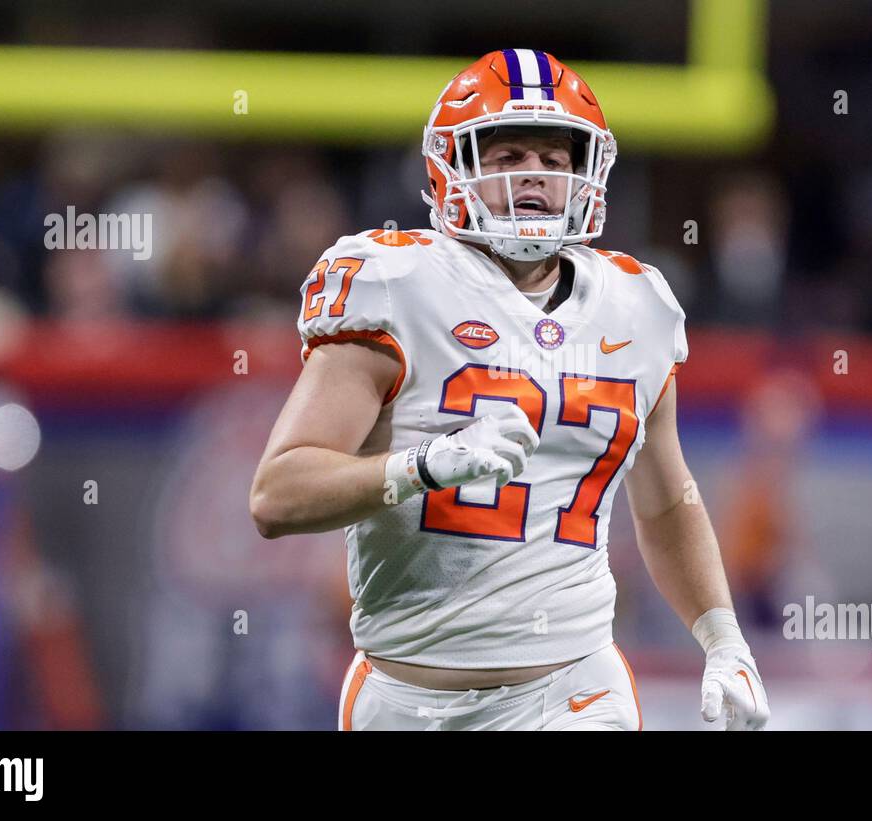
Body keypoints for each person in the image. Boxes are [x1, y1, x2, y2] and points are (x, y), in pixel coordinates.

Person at [250, 50, 769, 731]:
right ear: (452, 168)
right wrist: (422, 467)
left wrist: (723, 639)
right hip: (405, 696)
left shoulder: (634, 305)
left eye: (556, 161)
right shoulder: (396, 287)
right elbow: (276, 496)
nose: (537, 176)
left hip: (572, 690)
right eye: (509, 155)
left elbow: (668, 500)